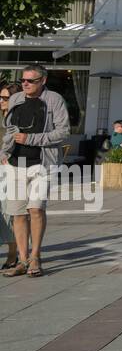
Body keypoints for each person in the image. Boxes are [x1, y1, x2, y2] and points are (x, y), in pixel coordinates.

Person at [0, 65, 71, 278]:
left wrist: (31, 139)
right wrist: (4, 150)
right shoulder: (16, 99)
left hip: (42, 164)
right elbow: (10, 130)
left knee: (36, 209)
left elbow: (64, 131)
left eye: (30, 80)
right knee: (18, 214)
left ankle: (35, 256)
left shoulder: (54, 100)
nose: (25, 84)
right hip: (15, 163)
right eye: (23, 80)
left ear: (43, 80)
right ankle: (22, 260)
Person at [0, 83, 19, 270]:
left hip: (10, 170)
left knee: (9, 212)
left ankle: (13, 252)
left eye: (5, 98)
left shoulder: (17, 119)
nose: (1, 101)